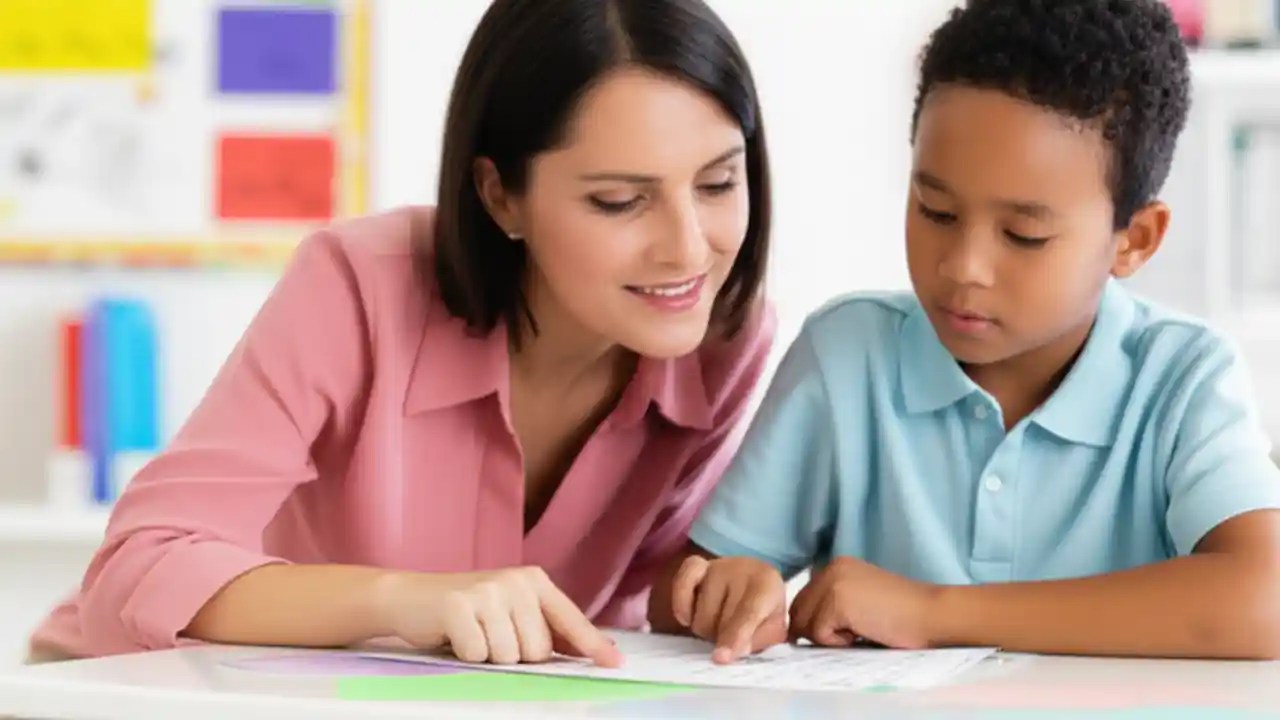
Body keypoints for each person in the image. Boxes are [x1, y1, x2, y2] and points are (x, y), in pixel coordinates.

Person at [30, 0, 775, 667]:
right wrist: (404, 602)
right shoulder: (362, 284)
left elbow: (641, 594)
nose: (688, 247)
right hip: (127, 690)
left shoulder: (719, 337)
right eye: (619, 201)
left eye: (717, 184)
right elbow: (138, 573)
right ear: (499, 196)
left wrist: (718, 590)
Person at [652, 0, 1280, 663]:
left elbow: (1264, 600)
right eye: (936, 211)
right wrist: (724, 591)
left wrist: (932, 611)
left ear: (1134, 241)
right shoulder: (847, 357)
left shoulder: (1183, 378)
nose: (964, 268)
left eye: (1024, 235)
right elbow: (675, 598)